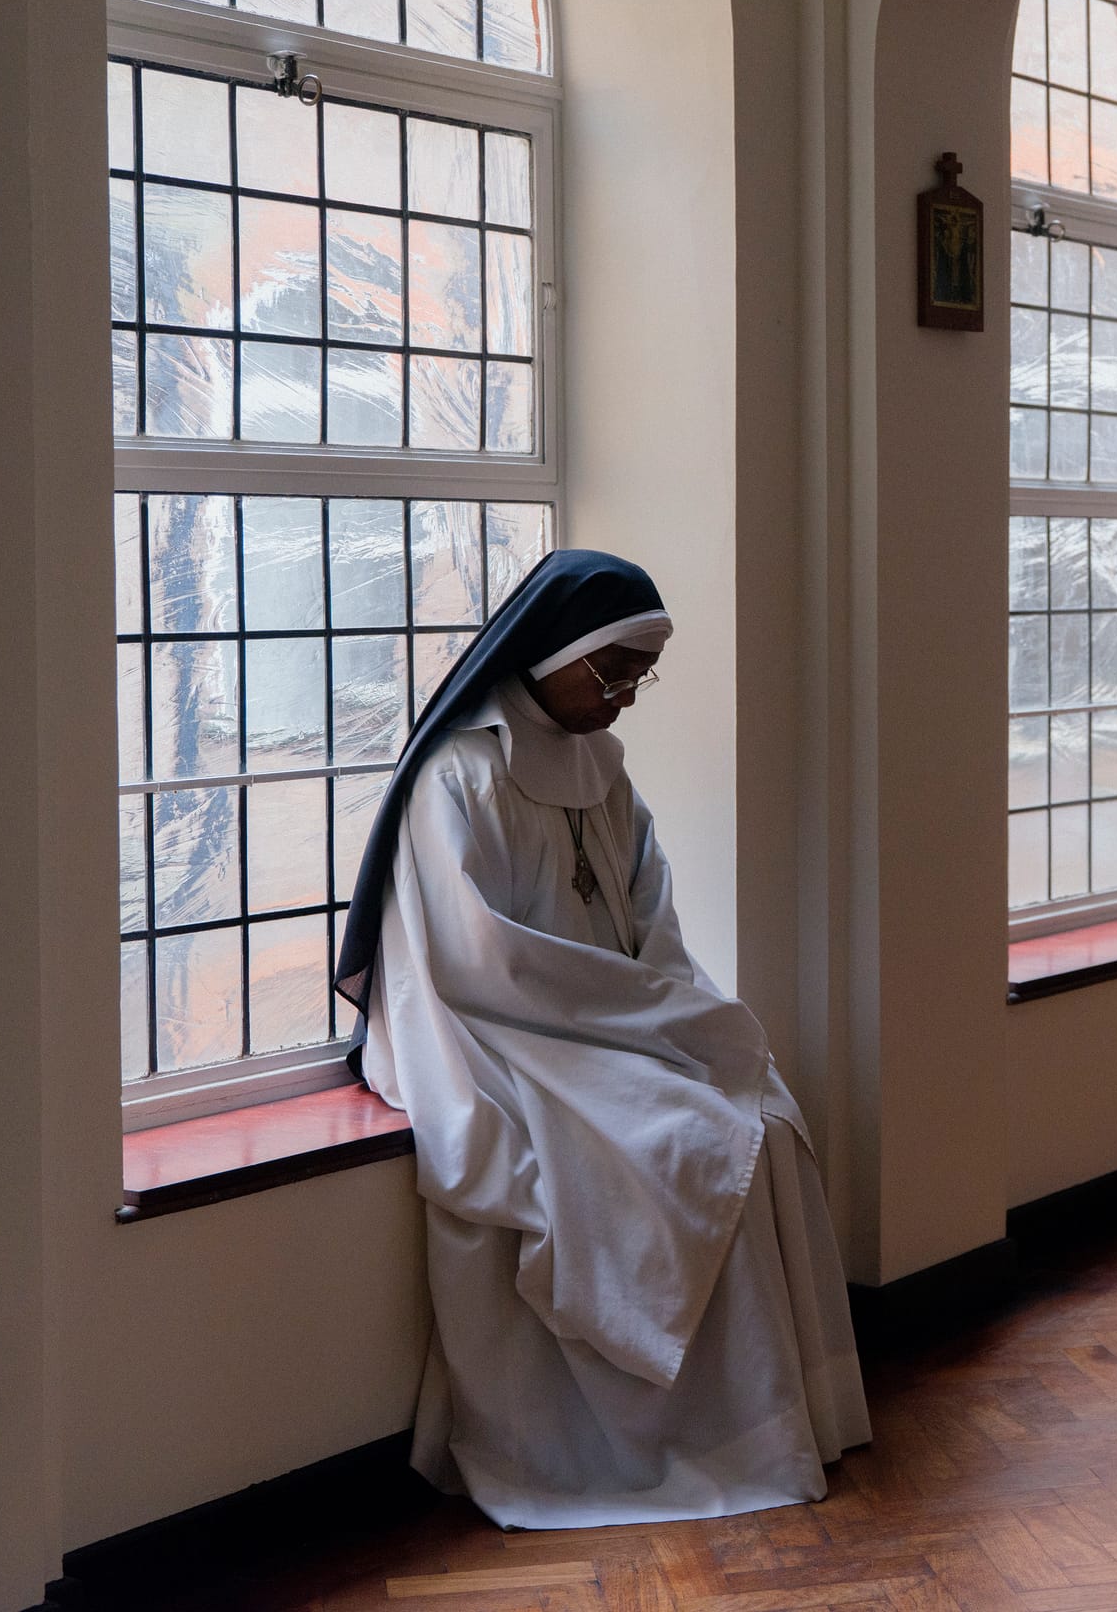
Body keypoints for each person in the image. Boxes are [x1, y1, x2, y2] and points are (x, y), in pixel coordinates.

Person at [336, 550, 870, 1530]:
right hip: (490, 1032)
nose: (623, 699)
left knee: (761, 1120)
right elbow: (483, 958)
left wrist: (672, 1017)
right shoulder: (462, 775)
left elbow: (651, 920)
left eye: (638, 677)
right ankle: (625, 1443)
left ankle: (757, 1426)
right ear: (554, 651)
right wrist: (646, 1021)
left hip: (601, 1021)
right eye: (612, 673)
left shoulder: (605, 773)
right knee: (685, 1143)